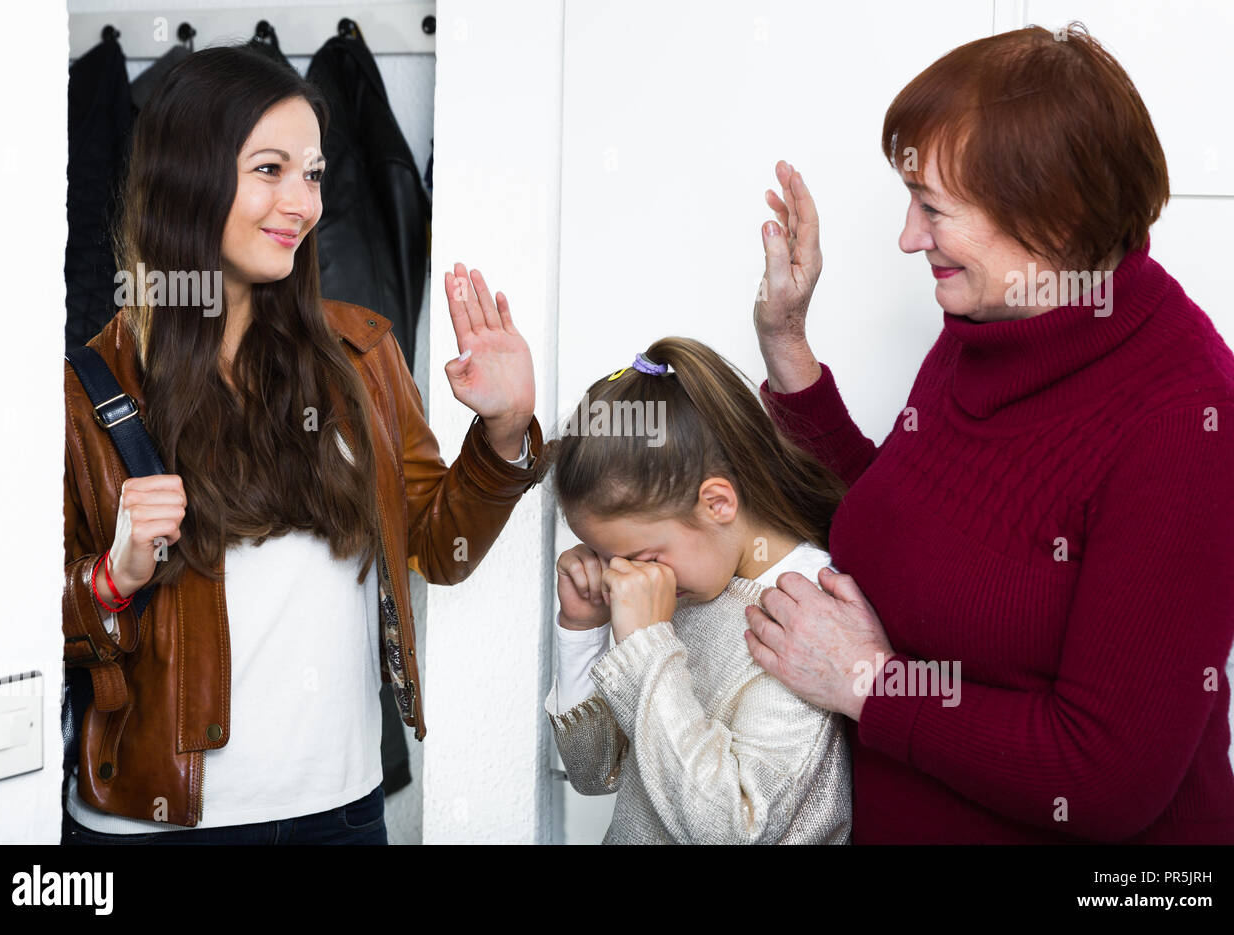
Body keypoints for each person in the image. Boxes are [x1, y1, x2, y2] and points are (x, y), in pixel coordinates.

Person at [745, 23, 1234, 843]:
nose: (908, 237)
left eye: (934, 209)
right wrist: (786, 344)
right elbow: (904, 521)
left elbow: (1101, 777)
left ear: (1051, 221)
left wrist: (873, 684)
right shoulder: (999, 315)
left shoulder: (1191, 427)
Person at [61, 45, 546, 844]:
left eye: (314, 174)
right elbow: (25, 627)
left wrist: (500, 431)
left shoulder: (361, 354)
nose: (302, 202)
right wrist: (113, 578)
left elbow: (435, 544)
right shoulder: (87, 390)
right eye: (271, 169)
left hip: (342, 813)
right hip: (165, 825)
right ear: (189, 176)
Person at [542, 337, 853, 844]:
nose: (621, 578)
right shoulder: (688, 585)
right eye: (604, 557)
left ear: (717, 504)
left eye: (635, 557)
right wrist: (583, 629)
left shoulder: (801, 621)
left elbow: (730, 829)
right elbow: (594, 772)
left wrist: (647, 648)